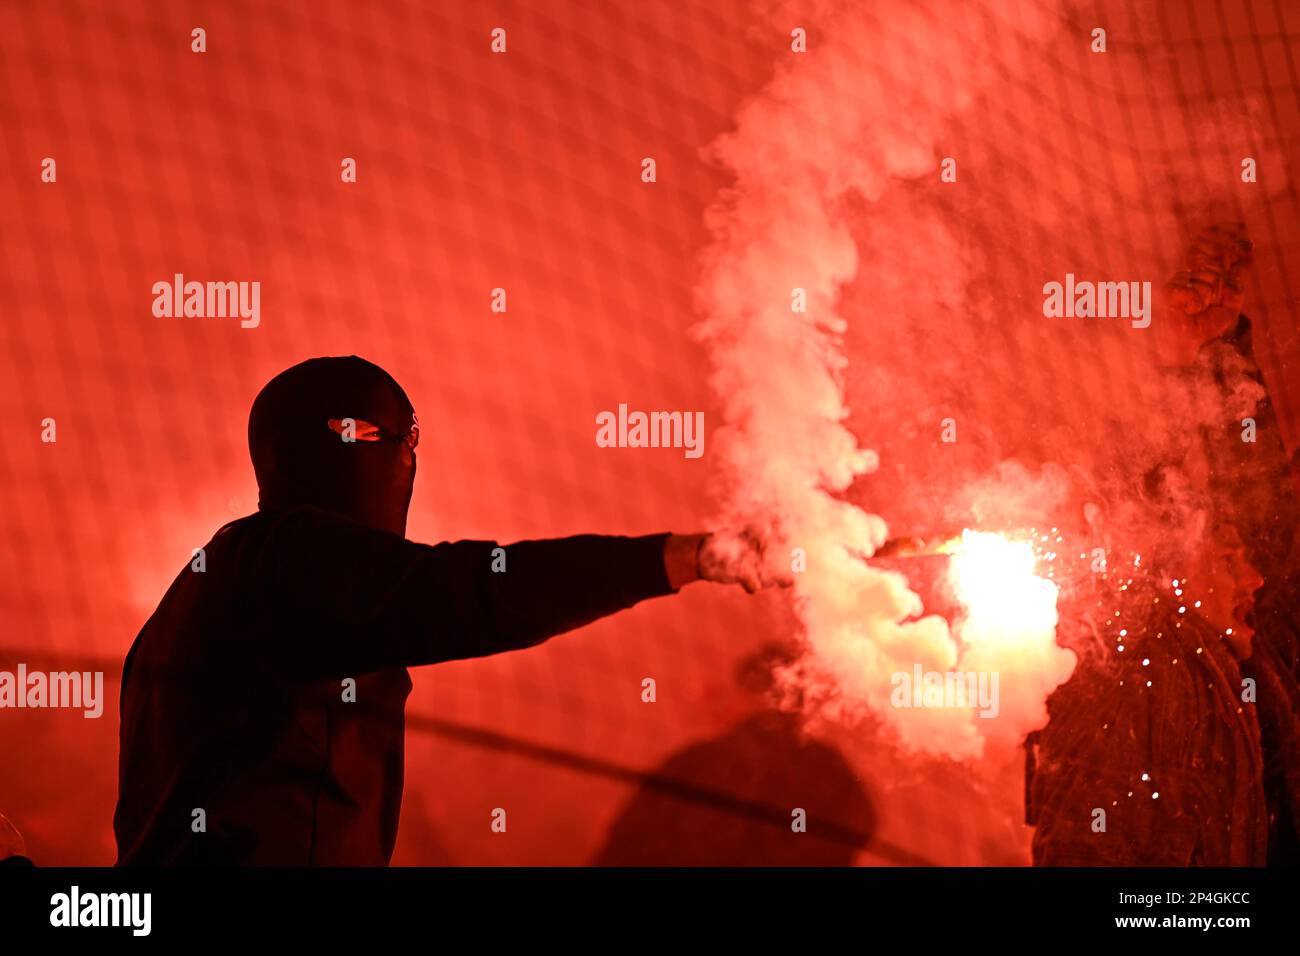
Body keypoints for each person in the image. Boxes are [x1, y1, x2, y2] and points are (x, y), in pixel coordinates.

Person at [114, 356, 775, 866]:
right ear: (346, 441)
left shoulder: (196, 591)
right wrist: (683, 557)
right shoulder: (293, 559)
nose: (407, 460)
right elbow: (480, 594)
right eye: (396, 440)